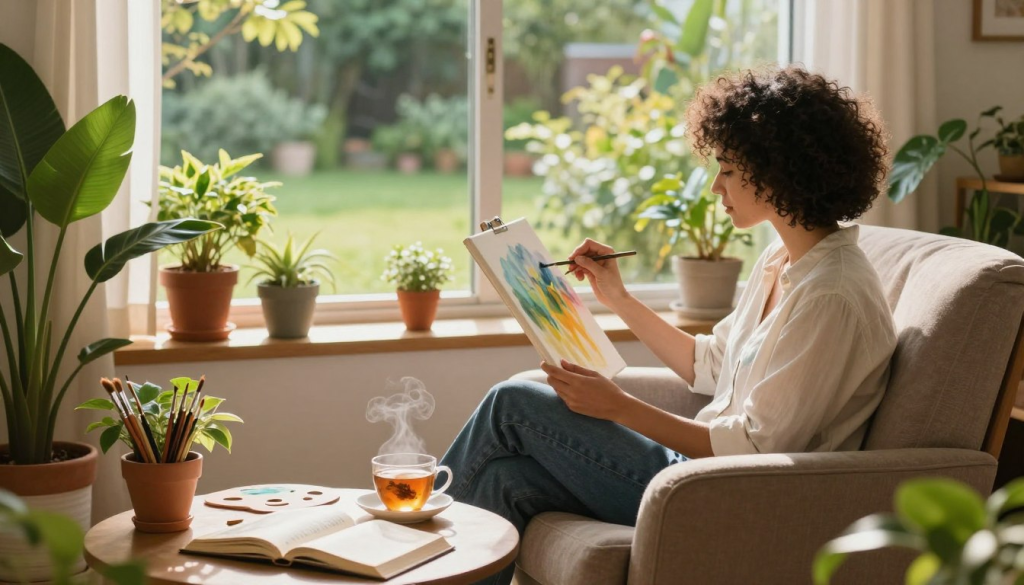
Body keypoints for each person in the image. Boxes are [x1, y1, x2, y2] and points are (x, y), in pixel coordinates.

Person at [440, 65, 898, 585]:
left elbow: (755, 451)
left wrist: (620, 408)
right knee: (503, 479)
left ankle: (403, 541)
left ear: (777, 172)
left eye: (726, 169)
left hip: (732, 494)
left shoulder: (832, 295)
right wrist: (619, 297)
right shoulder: (782, 263)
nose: (714, 186)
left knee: (513, 401)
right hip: (700, 473)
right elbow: (708, 365)